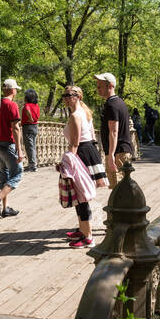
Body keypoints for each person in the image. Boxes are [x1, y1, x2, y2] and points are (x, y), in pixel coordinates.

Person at [61, 84, 106, 248]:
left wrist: (66, 163)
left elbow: (74, 142)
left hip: (81, 153)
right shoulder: (85, 112)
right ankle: (83, 230)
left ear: (77, 96)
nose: (65, 98)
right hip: (89, 152)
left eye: (69, 95)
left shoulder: (76, 116)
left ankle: (88, 237)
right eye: (64, 95)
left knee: (81, 197)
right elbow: (93, 136)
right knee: (81, 195)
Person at [0, 78, 24, 218]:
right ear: (12, 90)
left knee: (5, 176)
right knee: (17, 175)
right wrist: (19, 150)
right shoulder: (12, 105)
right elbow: (15, 127)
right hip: (8, 145)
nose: (16, 92)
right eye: (15, 89)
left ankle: (5, 208)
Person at [95, 72, 134, 187]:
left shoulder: (112, 105)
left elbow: (113, 131)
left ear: (110, 86)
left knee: (119, 190)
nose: (98, 89)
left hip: (118, 153)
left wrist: (111, 155)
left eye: (100, 86)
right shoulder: (119, 102)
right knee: (123, 189)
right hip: (122, 151)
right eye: (97, 86)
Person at [21, 89, 41, 172]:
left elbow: (27, 110)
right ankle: (33, 163)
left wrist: (30, 118)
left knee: (29, 147)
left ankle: (32, 165)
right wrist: (33, 119)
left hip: (28, 127)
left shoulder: (27, 105)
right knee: (32, 146)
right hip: (35, 126)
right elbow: (38, 115)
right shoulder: (36, 105)